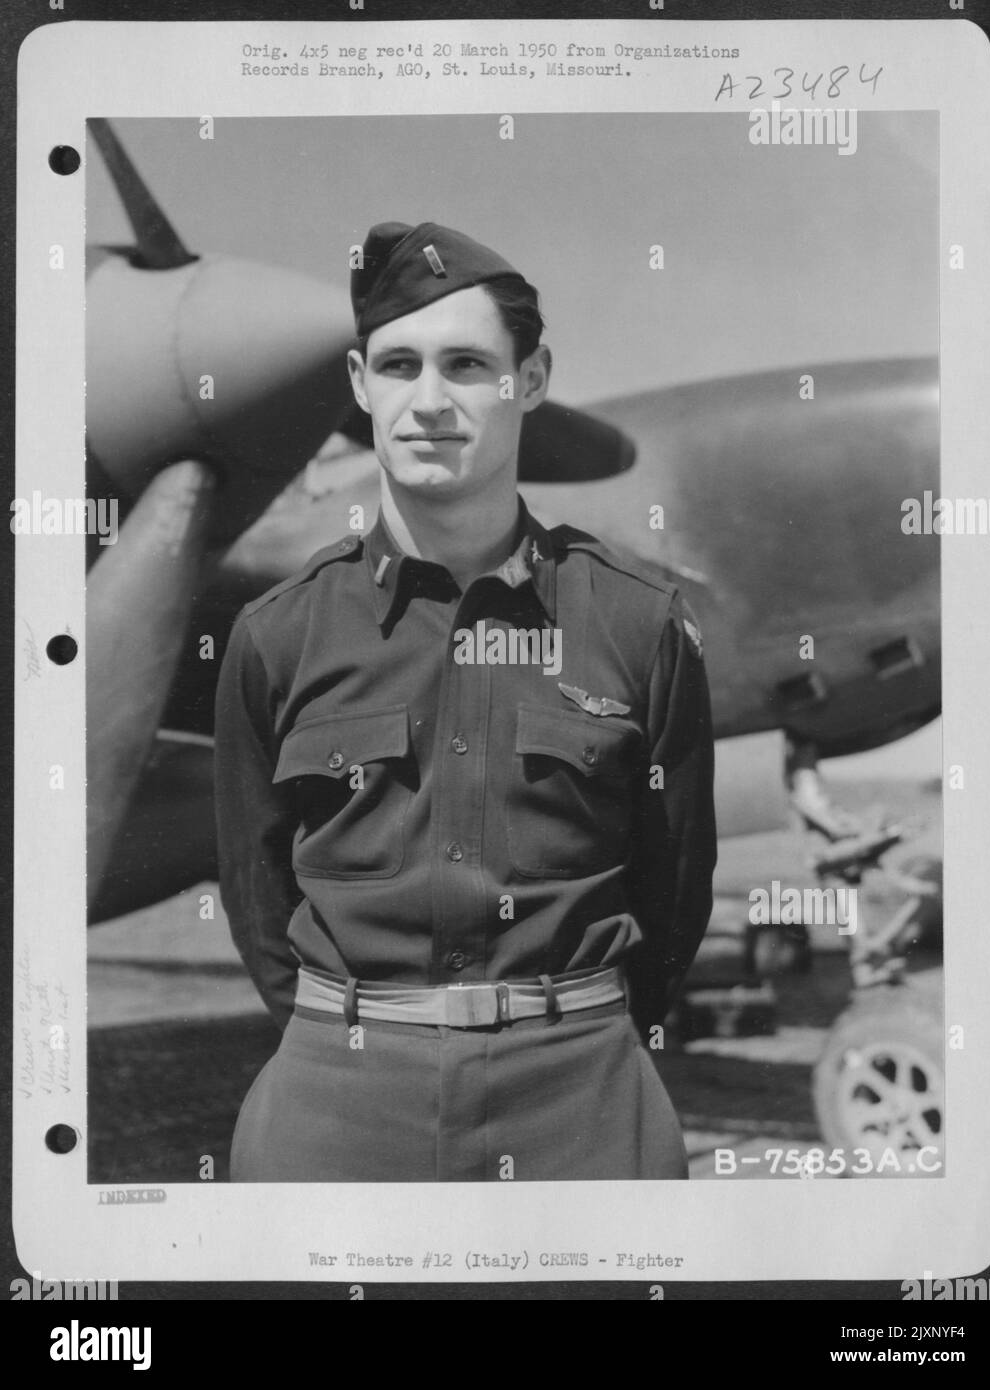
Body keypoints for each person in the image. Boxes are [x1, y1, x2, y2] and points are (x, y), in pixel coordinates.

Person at [214, 220, 716, 1182]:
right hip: (334, 1101)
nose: (429, 401)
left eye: (468, 363)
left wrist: (573, 1030)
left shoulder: (638, 624)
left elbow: (673, 884)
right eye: (398, 364)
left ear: (529, 379)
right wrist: (348, 1032)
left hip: (581, 1103)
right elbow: (254, 886)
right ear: (360, 386)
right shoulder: (275, 634)